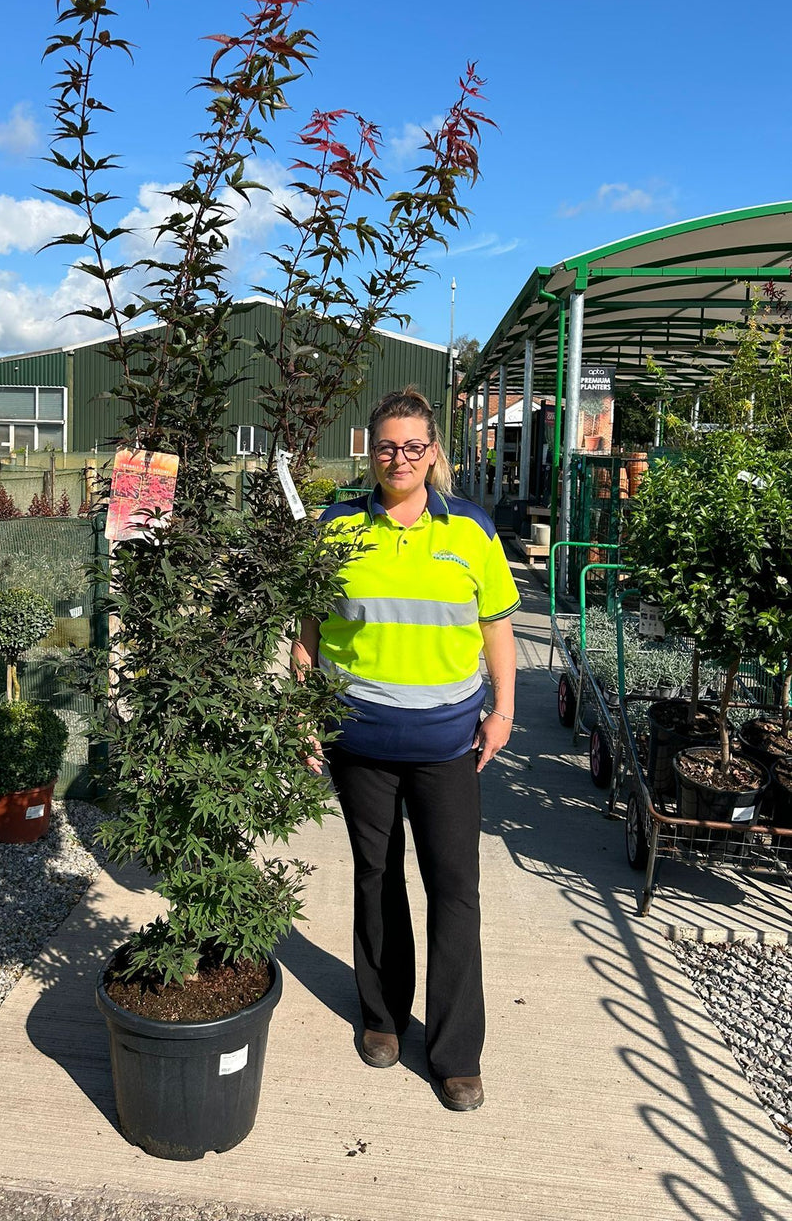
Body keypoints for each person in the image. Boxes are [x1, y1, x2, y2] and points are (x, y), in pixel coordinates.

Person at [292, 387, 519, 1112]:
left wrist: (505, 710)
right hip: (358, 744)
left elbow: (496, 630)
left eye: (413, 446)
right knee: (375, 878)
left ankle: (456, 1055)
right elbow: (307, 633)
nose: (400, 458)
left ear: (433, 452)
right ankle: (383, 1019)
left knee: (455, 892)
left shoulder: (473, 533)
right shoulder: (334, 531)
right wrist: (304, 714)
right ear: (370, 449)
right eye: (387, 445)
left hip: (449, 746)